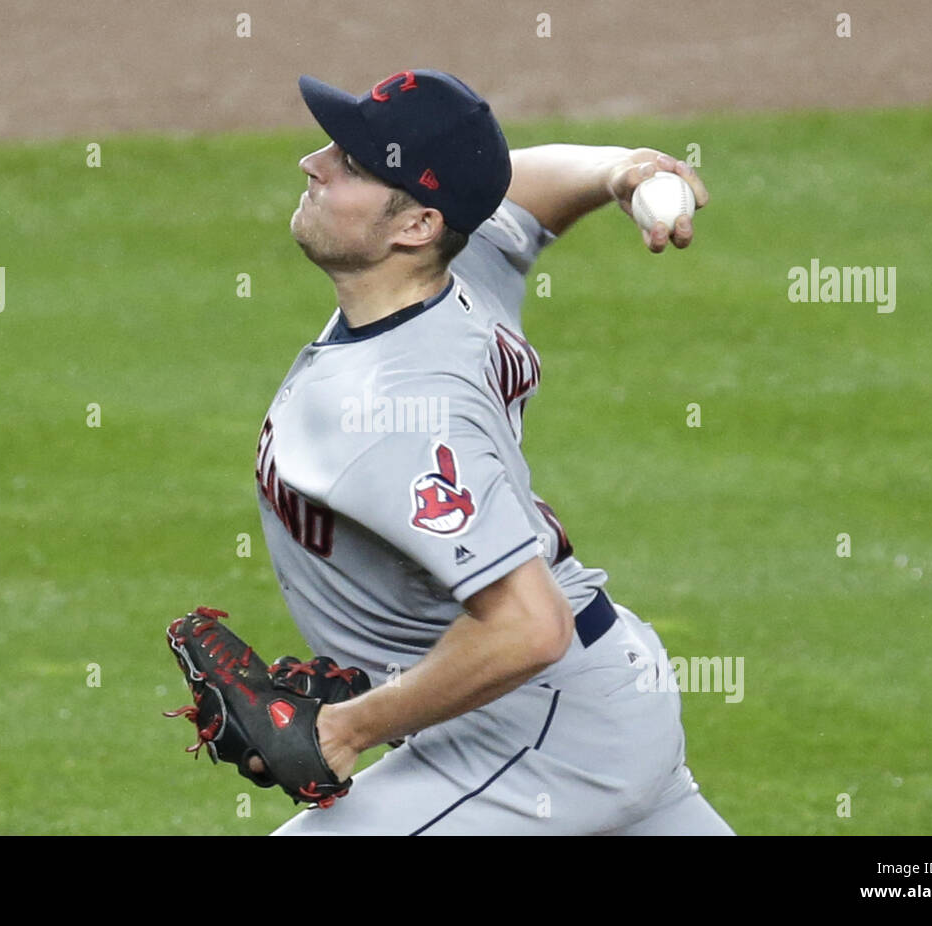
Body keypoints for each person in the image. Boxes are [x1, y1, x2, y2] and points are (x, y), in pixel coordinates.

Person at [253, 68, 732, 834]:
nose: (314, 162)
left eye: (351, 163)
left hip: (545, 738)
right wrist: (621, 169)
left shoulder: (392, 408)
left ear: (415, 227)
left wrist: (347, 729)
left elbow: (527, 626)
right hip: (588, 698)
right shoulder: (461, 271)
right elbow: (525, 189)